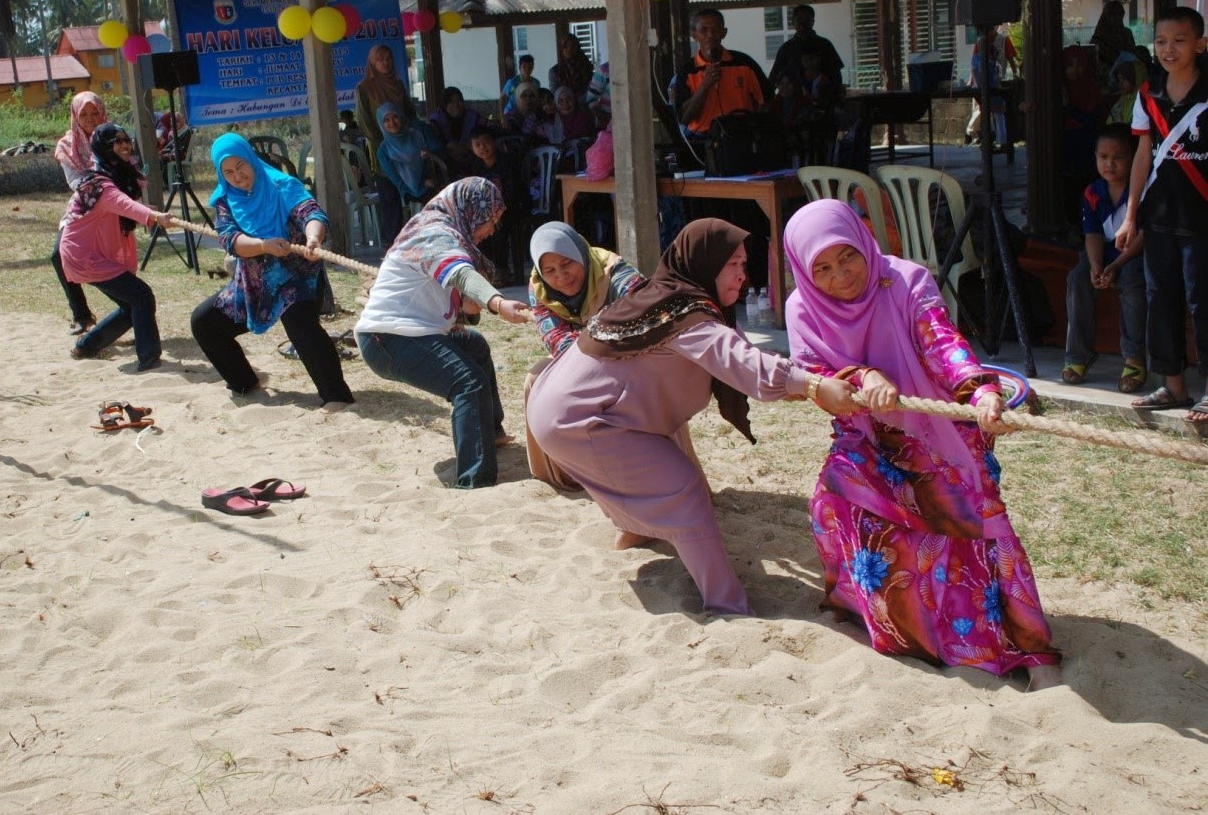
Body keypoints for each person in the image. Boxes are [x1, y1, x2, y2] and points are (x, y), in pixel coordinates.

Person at [783, 199, 1062, 690]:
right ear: (805, 273)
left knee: (974, 521)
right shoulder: (801, 308)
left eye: (847, 256)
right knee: (834, 498)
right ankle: (884, 621)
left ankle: (1020, 643)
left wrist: (978, 390)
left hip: (935, 427)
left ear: (863, 241)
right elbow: (816, 378)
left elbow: (940, 341)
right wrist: (862, 376)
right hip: (867, 430)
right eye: (821, 268)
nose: (840, 276)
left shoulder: (906, 281)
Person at [525, 219, 858, 615]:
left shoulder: (670, 297)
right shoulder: (684, 314)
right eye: (732, 263)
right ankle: (727, 605)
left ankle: (636, 529)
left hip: (585, 410)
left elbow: (737, 359)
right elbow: (745, 363)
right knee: (682, 490)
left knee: (660, 464)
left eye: (743, 263)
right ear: (706, 262)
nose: (742, 274)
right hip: (577, 420)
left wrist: (801, 384)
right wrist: (814, 386)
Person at [355, 178, 532, 489]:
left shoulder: (445, 231)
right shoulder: (434, 233)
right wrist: (498, 303)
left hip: (413, 333)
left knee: (474, 346)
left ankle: (490, 433)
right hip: (388, 339)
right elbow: (461, 275)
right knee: (468, 383)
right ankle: (474, 478)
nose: (492, 229)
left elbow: (459, 297)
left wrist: (471, 305)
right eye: (491, 219)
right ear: (472, 211)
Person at [189, 134, 354, 408]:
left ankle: (336, 396)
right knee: (204, 322)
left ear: (251, 159)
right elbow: (230, 239)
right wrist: (263, 245)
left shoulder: (282, 185)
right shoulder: (224, 200)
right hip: (253, 284)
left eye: (241, 166)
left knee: (300, 324)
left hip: (297, 277)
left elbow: (311, 213)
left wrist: (313, 238)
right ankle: (244, 382)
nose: (237, 176)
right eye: (227, 172)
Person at [1116, 6, 1208, 422]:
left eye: (1180, 41)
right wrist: (1130, 215)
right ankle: (1173, 386)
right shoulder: (1147, 94)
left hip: (1201, 217)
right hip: (1159, 218)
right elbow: (1140, 155)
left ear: (1201, 45)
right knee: (1160, 300)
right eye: (1161, 41)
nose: (1169, 49)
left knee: (1202, 302)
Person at [523, 222, 646, 490]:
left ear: (580, 254)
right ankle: (559, 476)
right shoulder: (539, 289)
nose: (561, 277)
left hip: (627, 360)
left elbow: (641, 323)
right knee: (536, 379)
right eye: (550, 271)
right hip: (578, 358)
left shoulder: (617, 274)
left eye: (567, 264)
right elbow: (555, 339)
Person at [61, 123, 173, 372]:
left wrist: (150, 213)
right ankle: (149, 357)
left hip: (89, 253)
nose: (125, 145)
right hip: (85, 255)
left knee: (131, 304)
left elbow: (120, 206)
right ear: (103, 147)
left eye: (126, 140)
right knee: (142, 296)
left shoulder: (115, 175)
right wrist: (152, 216)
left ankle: (86, 346)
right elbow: (119, 202)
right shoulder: (100, 183)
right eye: (117, 141)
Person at [1062, 125, 1146, 391]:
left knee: (1133, 282)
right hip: (1104, 255)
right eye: (1103, 157)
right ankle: (1078, 355)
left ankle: (1134, 358)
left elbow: (1144, 236)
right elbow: (1093, 234)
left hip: (1134, 255)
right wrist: (1096, 266)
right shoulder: (1093, 193)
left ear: (1134, 157)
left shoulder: (1143, 190)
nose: (1110, 164)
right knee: (1077, 278)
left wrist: (1116, 265)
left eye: (1118, 157)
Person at [51, 92, 107, 335]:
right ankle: (82, 316)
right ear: (75, 116)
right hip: (82, 209)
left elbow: (129, 168)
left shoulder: (115, 137)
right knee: (58, 254)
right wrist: (101, 180)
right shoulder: (66, 145)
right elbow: (75, 181)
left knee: (111, 262)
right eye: (83, 114)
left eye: (95, 112)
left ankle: (132, 309)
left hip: (113, 209)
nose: (90, 119)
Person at [355, 44, 418, 244]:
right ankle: (391, 246)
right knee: (390, 198)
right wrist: (387, 145)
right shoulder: (364, 88)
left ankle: (413, 243)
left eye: (388, 58)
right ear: (372, 62)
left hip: (406, 149)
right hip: (382, 150)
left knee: (414, 192)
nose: (385, 62)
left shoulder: (398, 84)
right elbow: (365, 123)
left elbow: (409, 114)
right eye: (380, 59)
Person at [674, 9, 769, 138]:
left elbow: (766, 101)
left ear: (724, 33)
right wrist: (705, 85)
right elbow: (684, 118)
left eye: (715, 29)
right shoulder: (687, 72)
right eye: (703, 30)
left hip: (741, 136)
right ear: (694, 35)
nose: (710, 35)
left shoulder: (744, 64)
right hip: (703, 139)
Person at [467, 126, 527, 282]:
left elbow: (514, 191)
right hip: (486, 211)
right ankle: (487, 268)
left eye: (486, 143)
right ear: (472, 148)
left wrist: (496, 212)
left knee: (496, 227)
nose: (483, 148)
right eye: (477, 145)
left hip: (510, 207)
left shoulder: (507, 162)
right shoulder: (475, 166)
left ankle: (502, 269)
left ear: (494, 143)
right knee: (477, 227)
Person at [375, 102, 439, 241]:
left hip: (431, 181)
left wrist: (429, 153)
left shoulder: (418, 135)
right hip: (408, 190)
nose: (392, 122)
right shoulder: (383, 150)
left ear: (401, 117)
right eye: (386, 120)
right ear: (381, 123)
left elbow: (438, 152)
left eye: (395, 117)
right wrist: (421, 185)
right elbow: (397, 180)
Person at [768, 4, 845, 99]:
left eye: (806, 19)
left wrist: (838, 94)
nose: (803, 22)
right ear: (793, 22)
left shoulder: (824, 45)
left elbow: (836, 75)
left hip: (823, 102)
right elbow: (773, 77)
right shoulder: (786, 48)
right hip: (794, 105)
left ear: (813, 22)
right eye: (799, 19)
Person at [965, 25, 1017, 146]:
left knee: (997, 111)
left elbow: (1011, 59)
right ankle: (977, 134)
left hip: (996, 82)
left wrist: (1015, 74)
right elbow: (974, 64)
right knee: (981, 109)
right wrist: (971, 80)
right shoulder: (980, 42)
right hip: (980, 83)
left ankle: (995, 138)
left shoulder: (1004, 40)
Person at [429, 86, 484, 176]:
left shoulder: (473, 116)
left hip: (473, 159)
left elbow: (482, 133)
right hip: (447, 166)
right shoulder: (436, 121)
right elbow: (441, 143)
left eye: (459, 100)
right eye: (451, 101)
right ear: (444, 104)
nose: (456, 105)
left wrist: (469, 147)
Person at [1091, 0, 1136, 90]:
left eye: (1120, 14)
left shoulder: (1127, 33)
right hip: (1106, 83)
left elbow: (1133, 55)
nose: (1117, 18)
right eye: (1113, 15)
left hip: (1128, 80)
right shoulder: (1099, 38)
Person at [1103, 57, 1147, 126]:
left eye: (1124, 79)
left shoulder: (1144, 101)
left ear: (1134, 78)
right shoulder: (1123, 99)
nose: (1120, 83)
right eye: (1119, 79)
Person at [548, 34, 595, 98]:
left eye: (573, 46)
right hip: (564, 106)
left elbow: (591, 90)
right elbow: (556, 95)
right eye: (566, 46)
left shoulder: (586, 67)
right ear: (561, 50)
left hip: (584, 104)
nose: (569, 49)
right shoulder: (554, 71)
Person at [501, 54, 539, 118]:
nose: (527, 70)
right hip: (511, 113)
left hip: (528, 114)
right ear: (519, 68)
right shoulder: (512, 83)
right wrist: (502, 118)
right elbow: (502, 98)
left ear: (533, 67)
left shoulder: (536, 83)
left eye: (530, 67)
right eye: (524, 67)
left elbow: (536, 100)